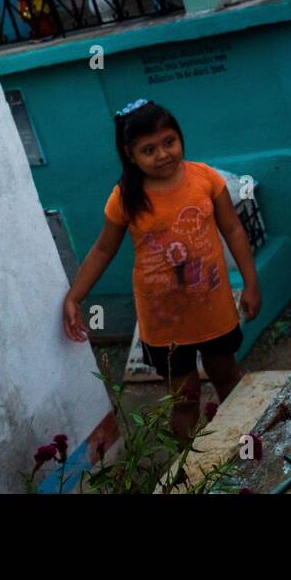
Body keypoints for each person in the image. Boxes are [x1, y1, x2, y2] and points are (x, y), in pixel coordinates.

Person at [62, 99, 261, 438]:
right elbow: (102, 249)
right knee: (184, 399)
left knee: (227, 377)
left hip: (214, 310)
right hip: (164, 321)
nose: (163, 154)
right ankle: (187, 474)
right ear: (130, 155)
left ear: (179, 137)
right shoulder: (125, 198)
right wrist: (74, 297)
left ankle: (244, 450)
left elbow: (234, 231)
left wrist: (251, 283)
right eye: (148, 150)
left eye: (169, 142)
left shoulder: (206, 179)